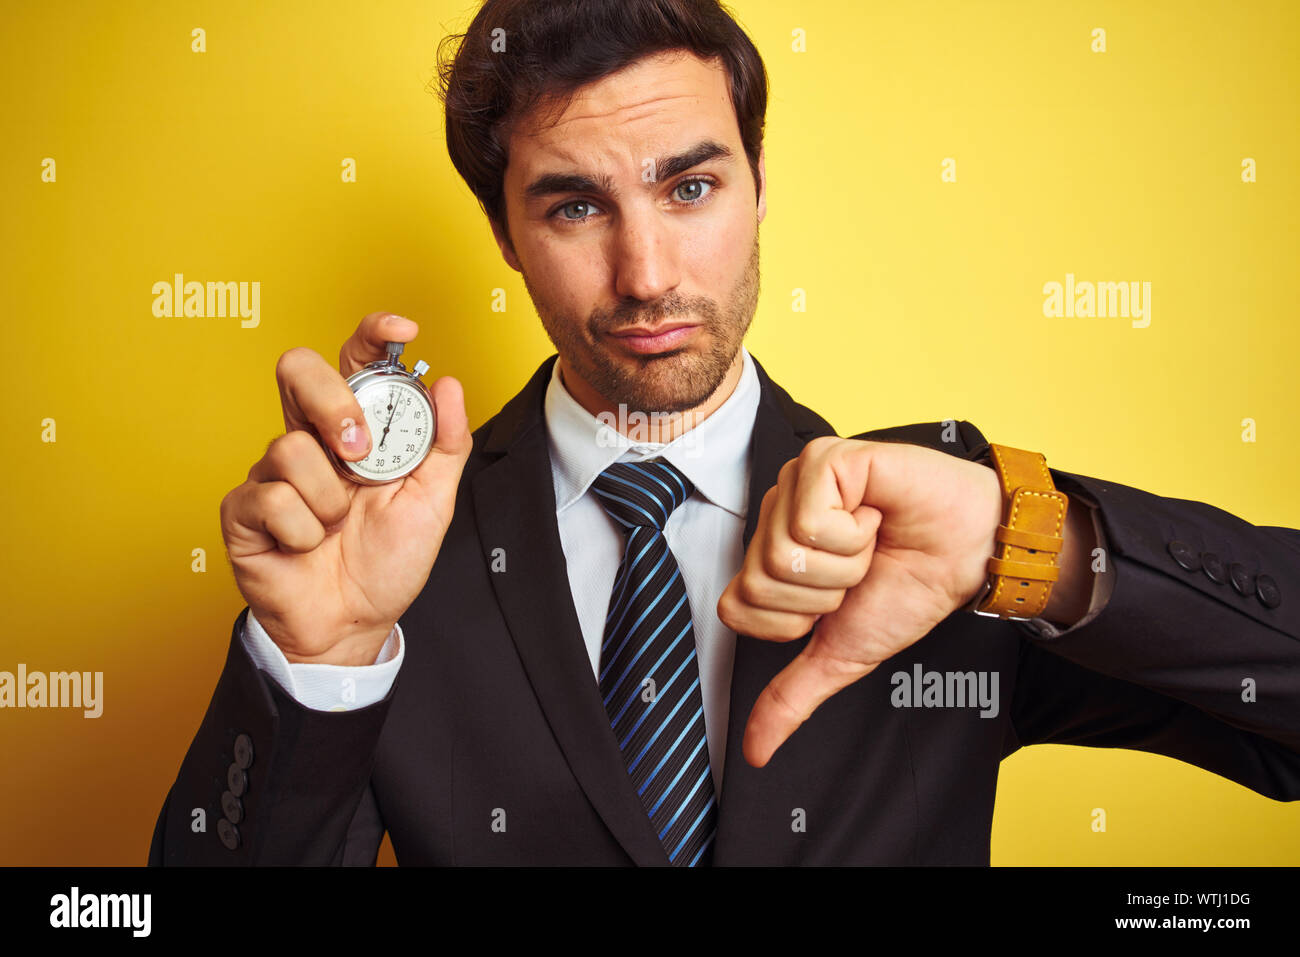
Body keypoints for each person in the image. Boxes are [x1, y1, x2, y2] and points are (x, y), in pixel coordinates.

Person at [148, 0, 1300, 866]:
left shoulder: (943, 531)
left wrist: (1032, 540)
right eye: (574, 205)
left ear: (758, 184)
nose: (646, 276)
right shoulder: (397, 555)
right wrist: (318, 667)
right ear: (502, 233)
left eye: (689, 188)